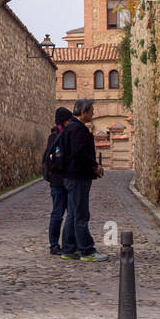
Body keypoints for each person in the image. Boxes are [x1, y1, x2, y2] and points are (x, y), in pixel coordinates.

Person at [58, 98, 109, 262]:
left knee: (72, 214)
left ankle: (68, 249)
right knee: (81, 215)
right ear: (84, 111)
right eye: (92, 110)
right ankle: (87, 251)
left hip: (70, 176)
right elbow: (80, 155)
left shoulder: (70, 128)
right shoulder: (78, 130)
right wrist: (94, 167)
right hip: (78, 177)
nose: (93, 113)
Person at [42, 107, 74, 255]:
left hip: (60, 180)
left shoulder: (57, 136)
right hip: (60, 181)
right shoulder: (57, 137)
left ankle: (67, 243)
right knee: (59, 213)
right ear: (63, 121)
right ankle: (54, 244)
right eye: (68, 120)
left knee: (68, 213)